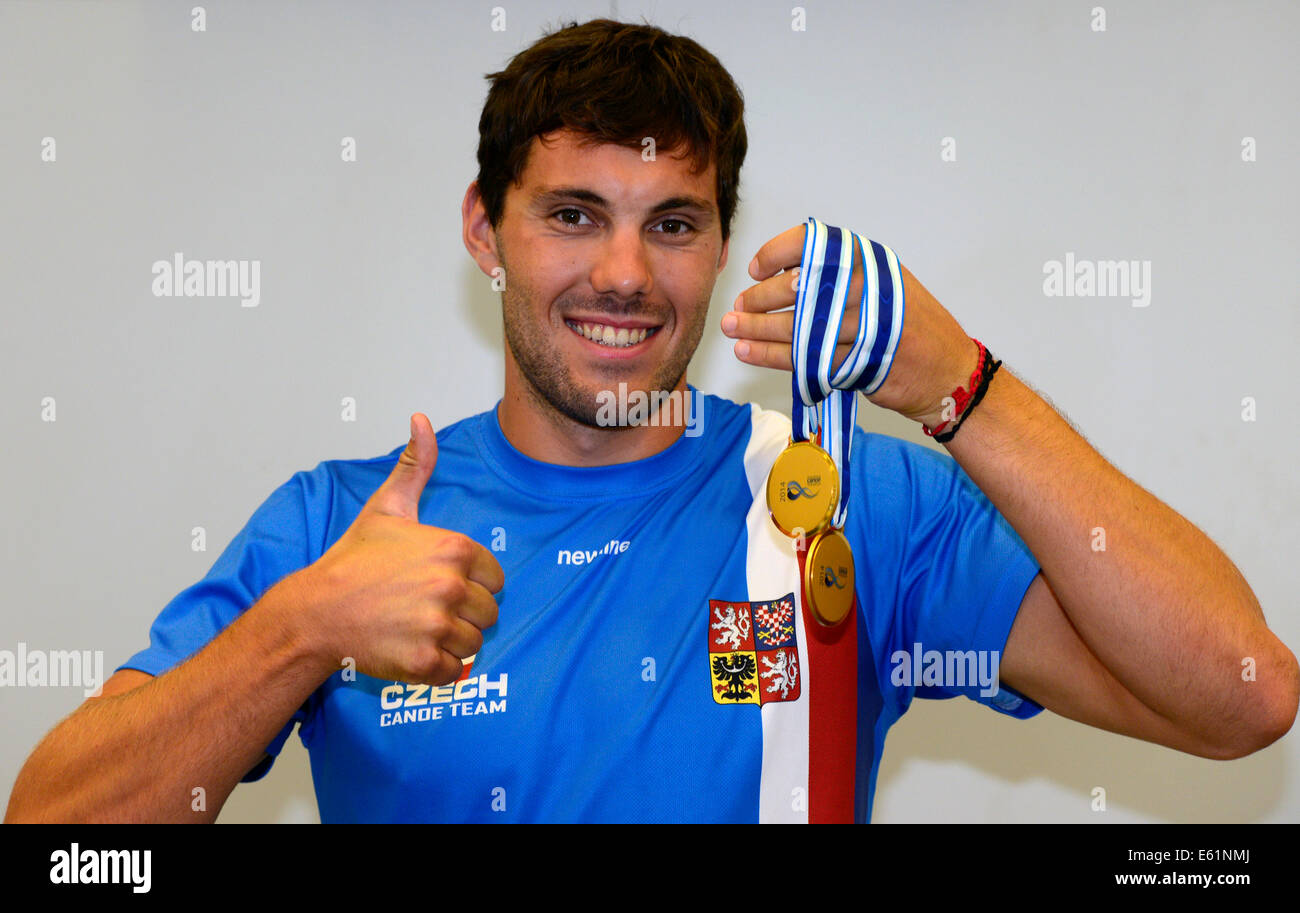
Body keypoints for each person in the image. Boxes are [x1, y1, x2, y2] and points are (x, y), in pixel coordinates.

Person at [7, 18, 1297, 824]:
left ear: (721, 241)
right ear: (483, 228)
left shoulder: (845, 502)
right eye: (574, 214)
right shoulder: (337, 526)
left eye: (672, 224)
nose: (625, 274)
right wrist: (299, 631)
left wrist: (965, 389)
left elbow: (1242, 699)